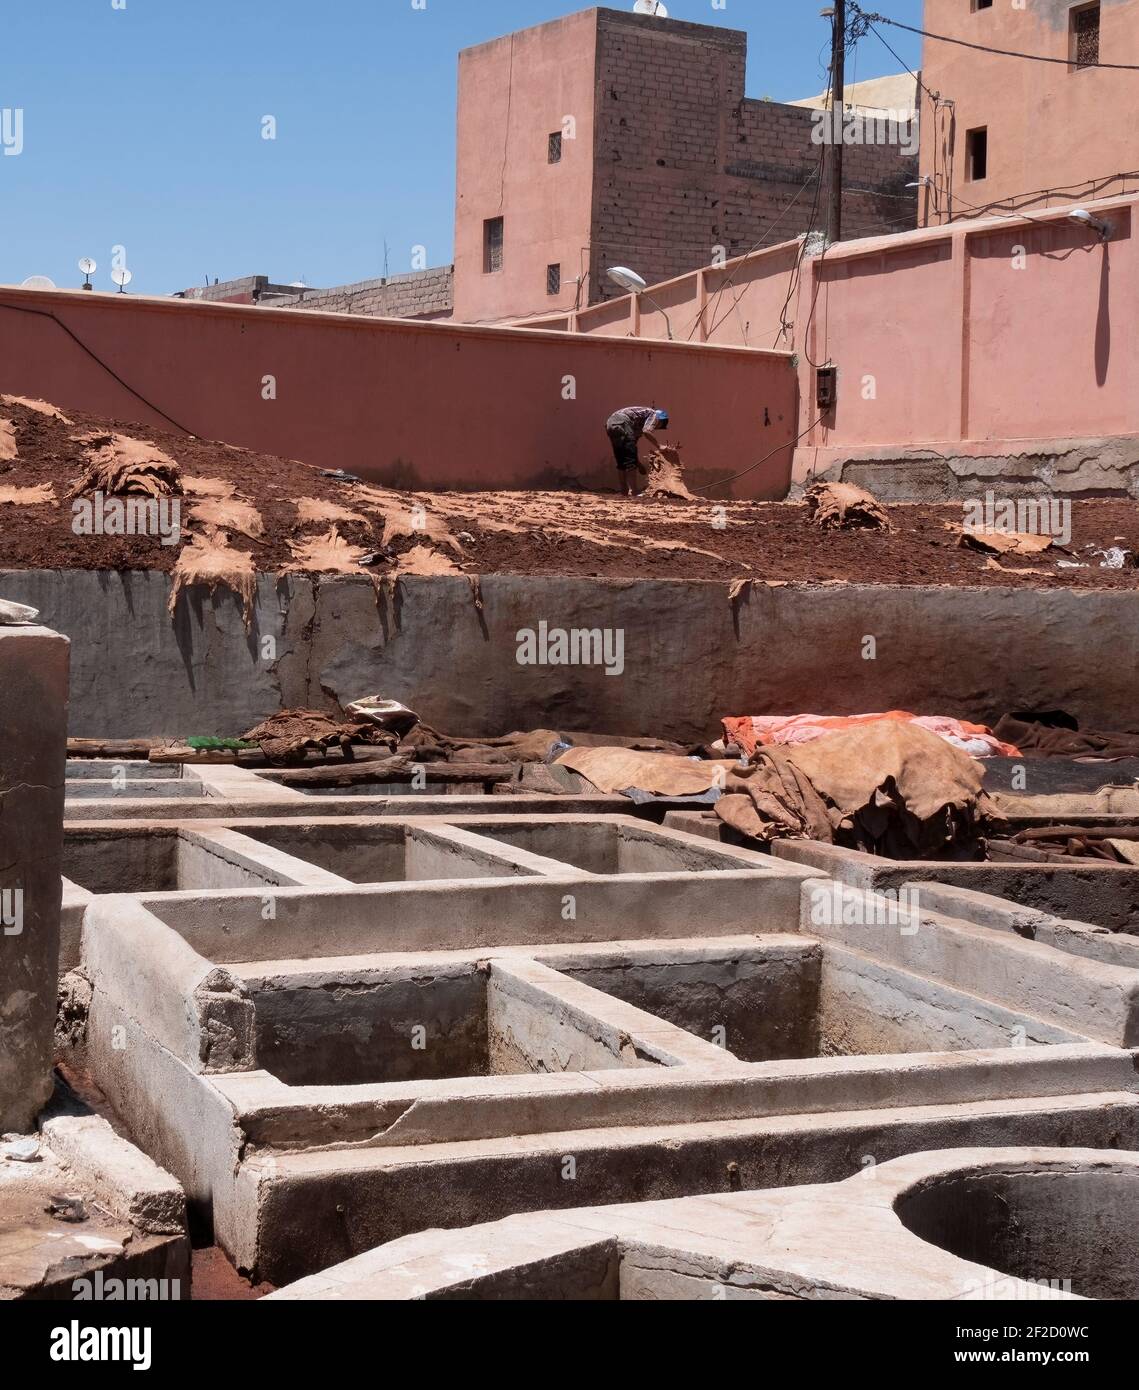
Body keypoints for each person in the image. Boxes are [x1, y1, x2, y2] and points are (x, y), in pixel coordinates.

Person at [605, 406, 670, 497]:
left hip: (610, 423)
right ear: (661, 420)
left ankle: (624, 491)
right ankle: (634, 491)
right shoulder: (654, 414)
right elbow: (647, 431)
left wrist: (639, 465)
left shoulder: (636, 426)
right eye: (659, 425)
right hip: (623, 421)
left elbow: (631, 451)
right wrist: (659, 446)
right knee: (629, 463)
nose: (655, 427)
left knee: (622, 460)